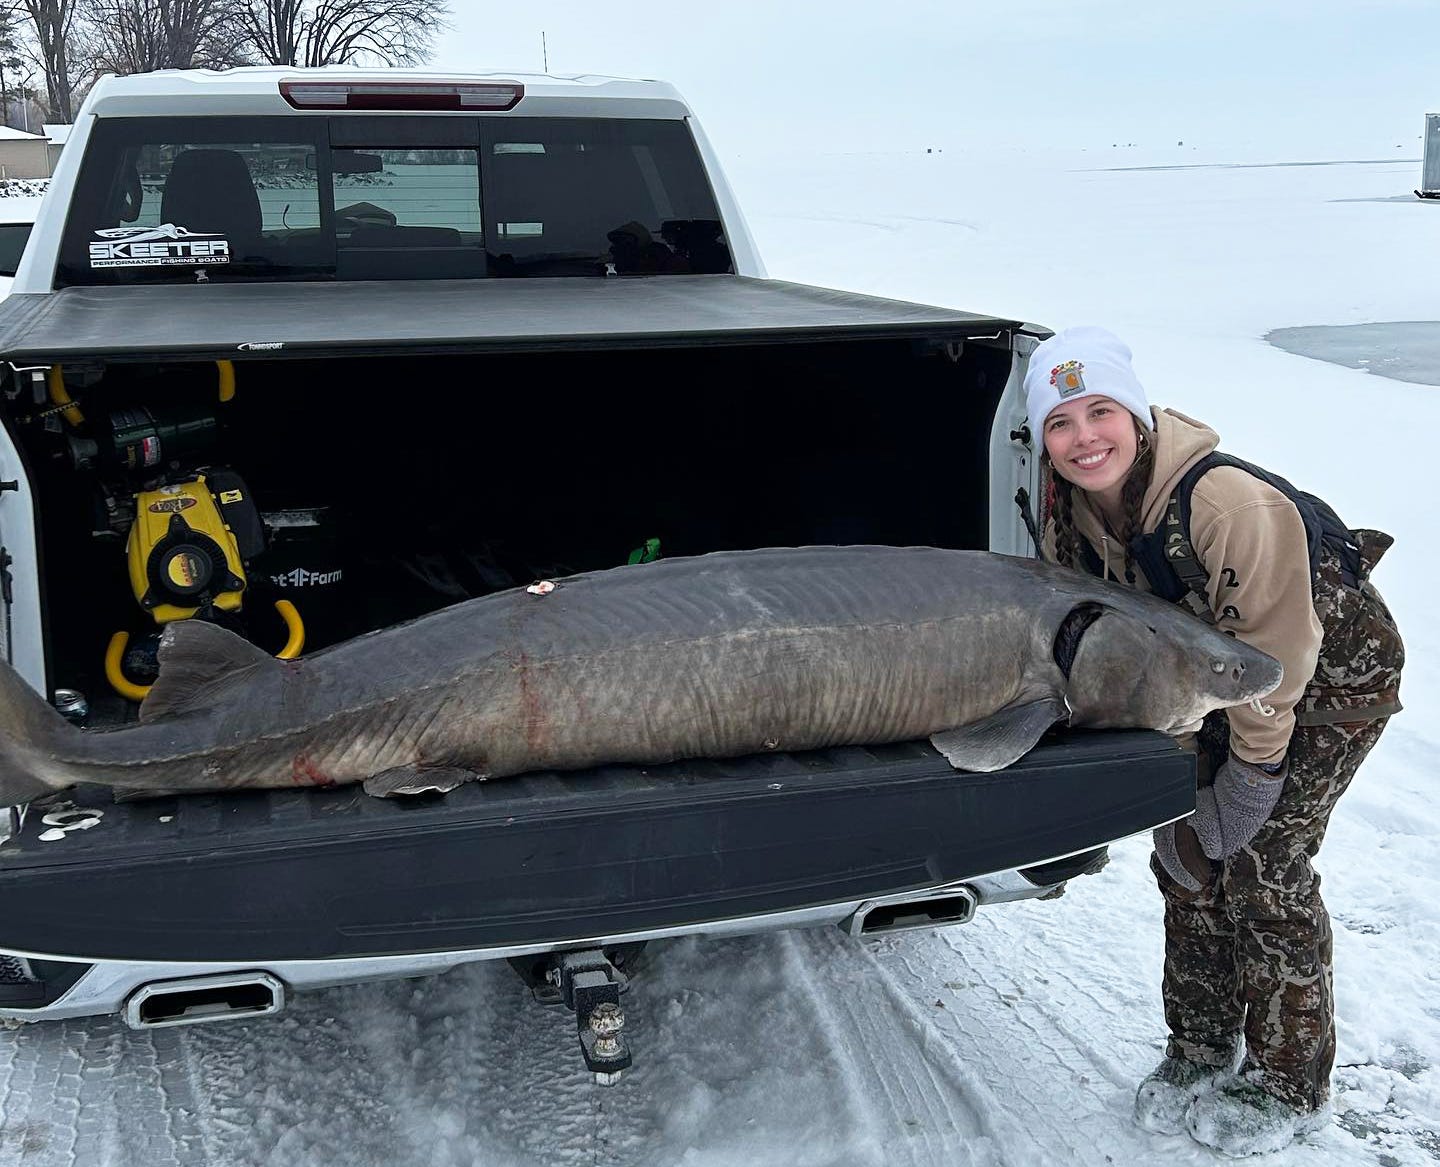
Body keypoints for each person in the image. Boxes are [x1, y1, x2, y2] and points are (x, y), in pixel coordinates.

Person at [1024, 326, 1404, 1157]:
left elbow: (1279, 664)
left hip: (1325, 682)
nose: (1085, 437)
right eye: (1060, 422)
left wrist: (1253, 774)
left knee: (1264, 864)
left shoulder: (1227, 505)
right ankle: (1199, 1046)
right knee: (1187, 860)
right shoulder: (1069, 516)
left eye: (1100, 412)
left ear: (1136, 415)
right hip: (1202, 682)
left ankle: (1288, 1081)